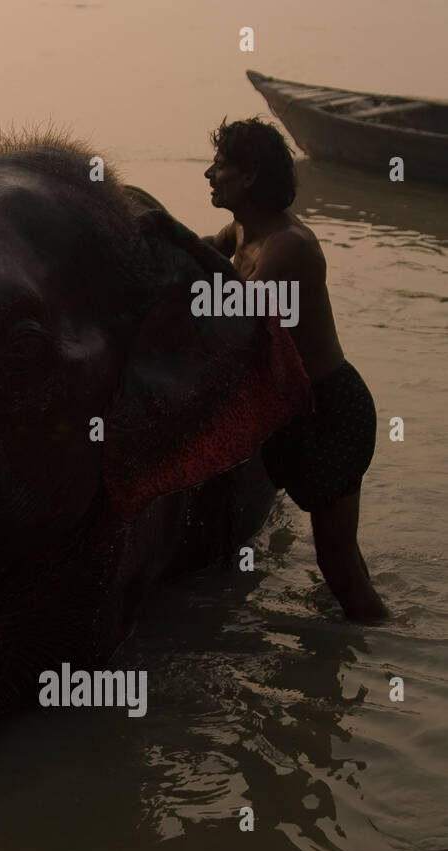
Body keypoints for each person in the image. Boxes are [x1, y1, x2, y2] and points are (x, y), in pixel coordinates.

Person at [202, 118, 388, 620]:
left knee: (338, 562)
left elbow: (234, 317)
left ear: (251, 176)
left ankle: (384, 642)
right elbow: (199, 258)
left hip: (330, 411)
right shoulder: (240, 231)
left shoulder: (288, 247)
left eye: (220, 167)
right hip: (294, 410)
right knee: (336, 554)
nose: (208, 175)